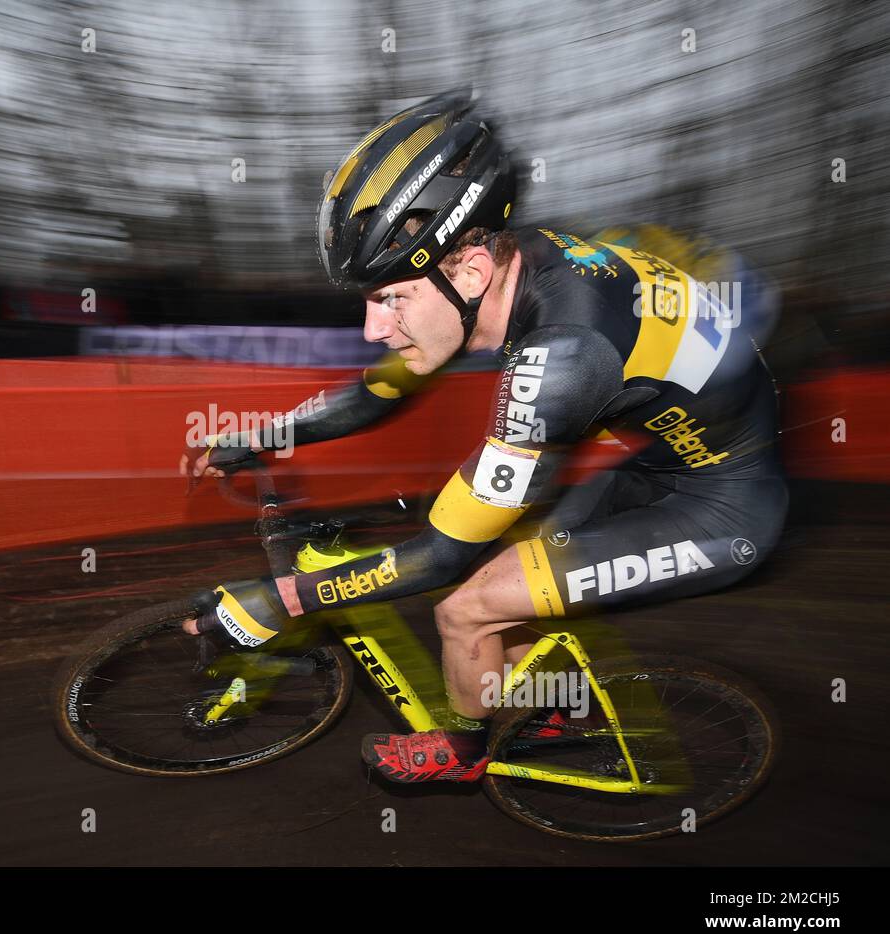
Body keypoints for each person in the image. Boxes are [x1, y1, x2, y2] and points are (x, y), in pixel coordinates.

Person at [179, 88, 788, 784]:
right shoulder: (506, 266)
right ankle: (551, 706)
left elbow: (439, 556)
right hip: (667, 457)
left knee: (465, 605)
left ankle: (462, 753)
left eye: (390, 299)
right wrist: (267, 433)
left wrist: (280, 602)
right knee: (512, 559)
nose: (375, 330)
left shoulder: (562, 354)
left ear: (468, 270)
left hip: (726, 508)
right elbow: (382, 392)